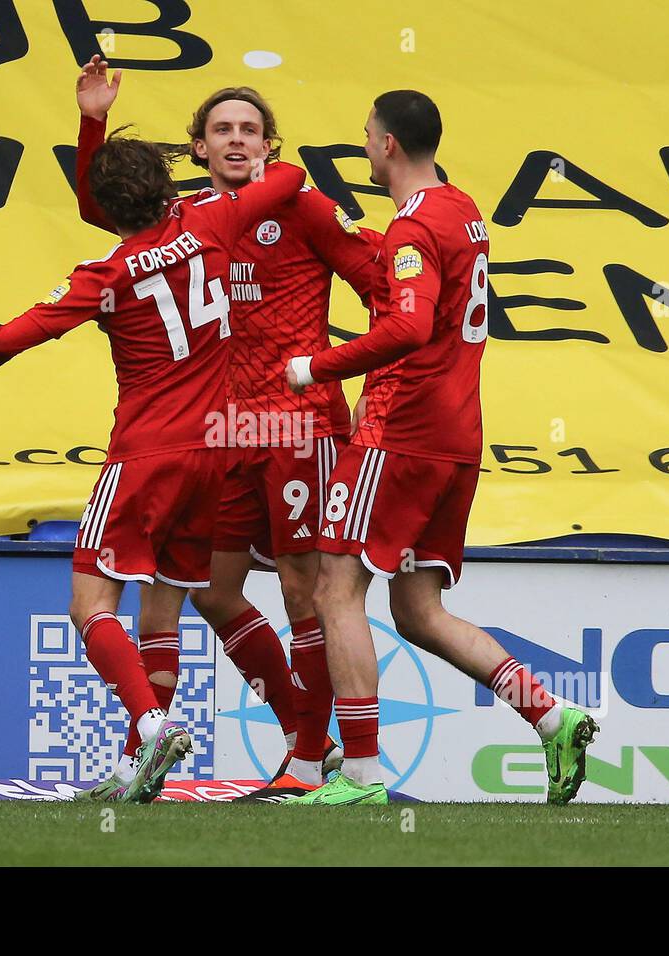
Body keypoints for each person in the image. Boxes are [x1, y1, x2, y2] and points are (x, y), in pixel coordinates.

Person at [0, 127, 307, 803]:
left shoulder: (109, 273)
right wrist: (251, 166)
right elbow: (287, 179)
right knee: (162, 617)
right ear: (170, 187)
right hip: (214, 453)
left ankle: (150, 723)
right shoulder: (212, 224)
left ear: (106, 206)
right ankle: (135, 765)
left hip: (147, 455)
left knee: (89, 606)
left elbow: (29, 326)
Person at [73, 57, 382, 797]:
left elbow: (384, 289)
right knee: (209, 591)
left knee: (303, 594)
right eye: (222, 130)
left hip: (296, 429)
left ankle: (307, 765)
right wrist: (93, 122)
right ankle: (246, 747)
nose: (237, 140)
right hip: (219, 434)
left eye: (250, 129)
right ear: (200, 150)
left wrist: (372, 390)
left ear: (270, 146)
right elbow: (99, 209)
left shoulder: (305, 208)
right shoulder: (187, 220)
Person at [283, 90, 599, 806]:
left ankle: (360, 777)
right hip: (457, 435)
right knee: (418, 610)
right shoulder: (464, 209)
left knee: (337, 588)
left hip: (401, 433)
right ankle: (551, 715)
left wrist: (318, 364)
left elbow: (409, 326)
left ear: (389, 145)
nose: (364, 148)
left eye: (367, 137)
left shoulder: (415, 228)